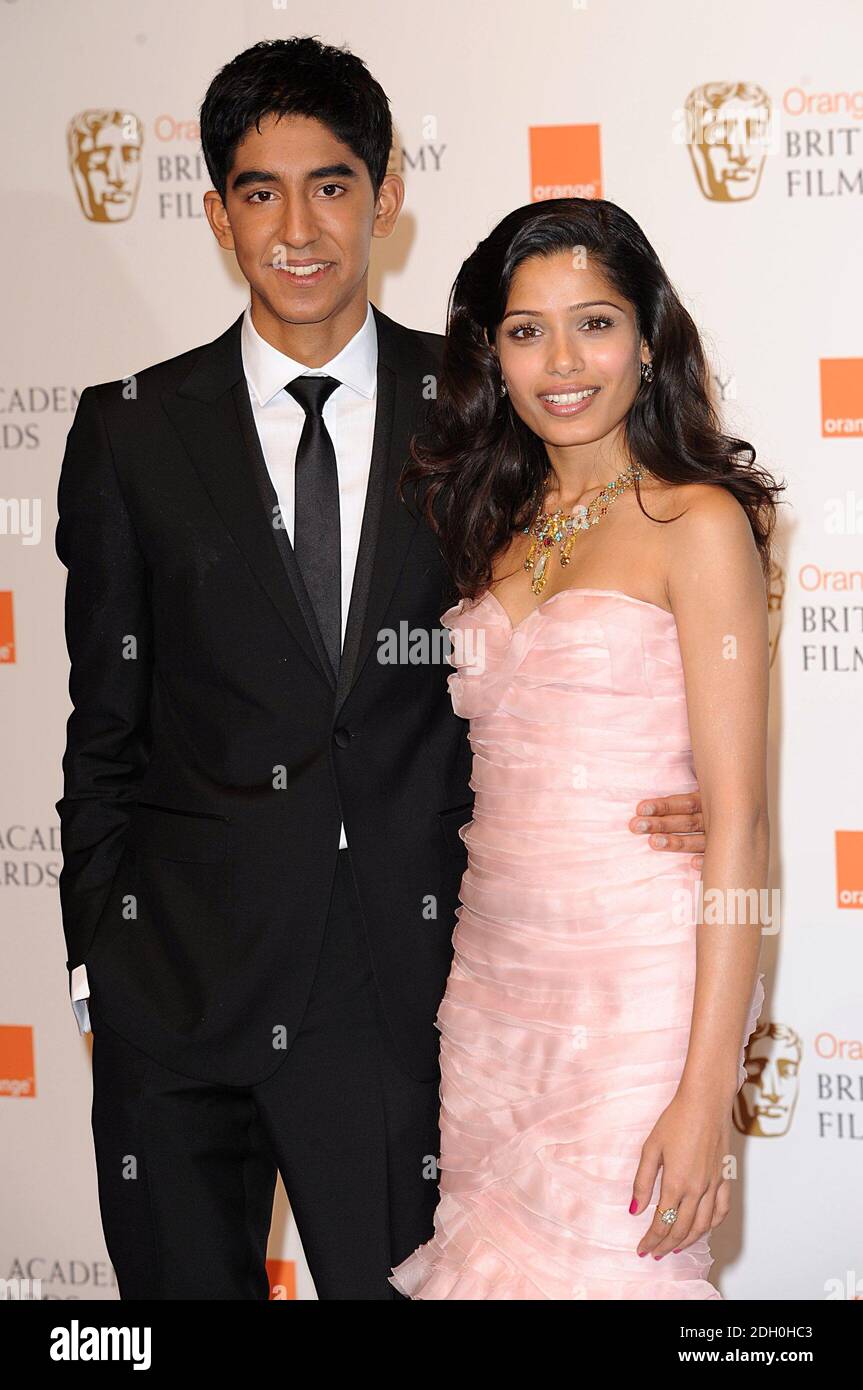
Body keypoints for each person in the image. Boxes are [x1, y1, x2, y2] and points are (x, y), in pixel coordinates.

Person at [55, 38, 713, 1300]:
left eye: (333, 184)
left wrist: (652, 795)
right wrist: (100, 965)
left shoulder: (482, 409)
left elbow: (592, 594)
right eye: (260, 190)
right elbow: (103, 725)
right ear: (214, 211)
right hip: (176, 1000)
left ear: (386, 195)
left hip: (396, 998)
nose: (298, 226)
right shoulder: (128, 426)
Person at [389, 197, 782, 1299]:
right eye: (524, 331)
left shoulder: (692, 522)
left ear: (647, 338)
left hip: (636, 997)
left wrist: (706, 1089)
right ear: (492, 354)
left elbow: (739, 825)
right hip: (491, 993)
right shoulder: (489, 523)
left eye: (594, 323)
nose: (561, 361)